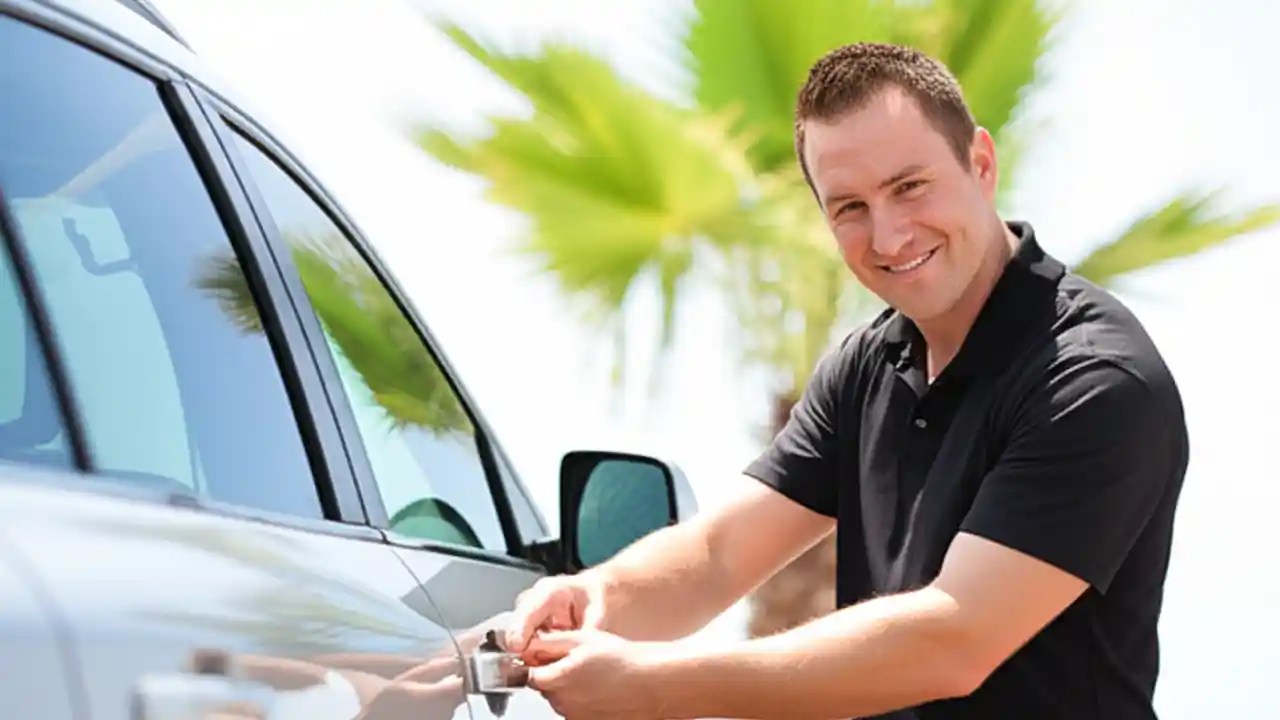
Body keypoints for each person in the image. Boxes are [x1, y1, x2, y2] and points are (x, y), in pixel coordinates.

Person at [508, 42, 1189, 720]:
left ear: (980, 163)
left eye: (909, 187)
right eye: (850, 208)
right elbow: (718, 555)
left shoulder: (1093, 379)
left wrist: (653, 683)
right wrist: (596, 597)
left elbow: (952, 641)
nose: (888, 236)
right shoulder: (869, 366)